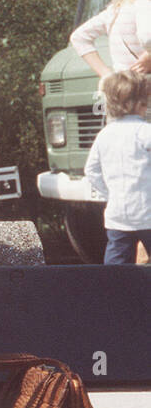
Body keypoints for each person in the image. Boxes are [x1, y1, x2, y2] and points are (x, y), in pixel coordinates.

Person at [83, 70, 151, 264]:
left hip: (118, 213)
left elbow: (91, 170)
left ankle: (113, 292)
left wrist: (109, 193)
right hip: (147, 211)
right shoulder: (145, 132)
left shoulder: (104, 134)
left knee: (116, 261)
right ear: (138, 104)